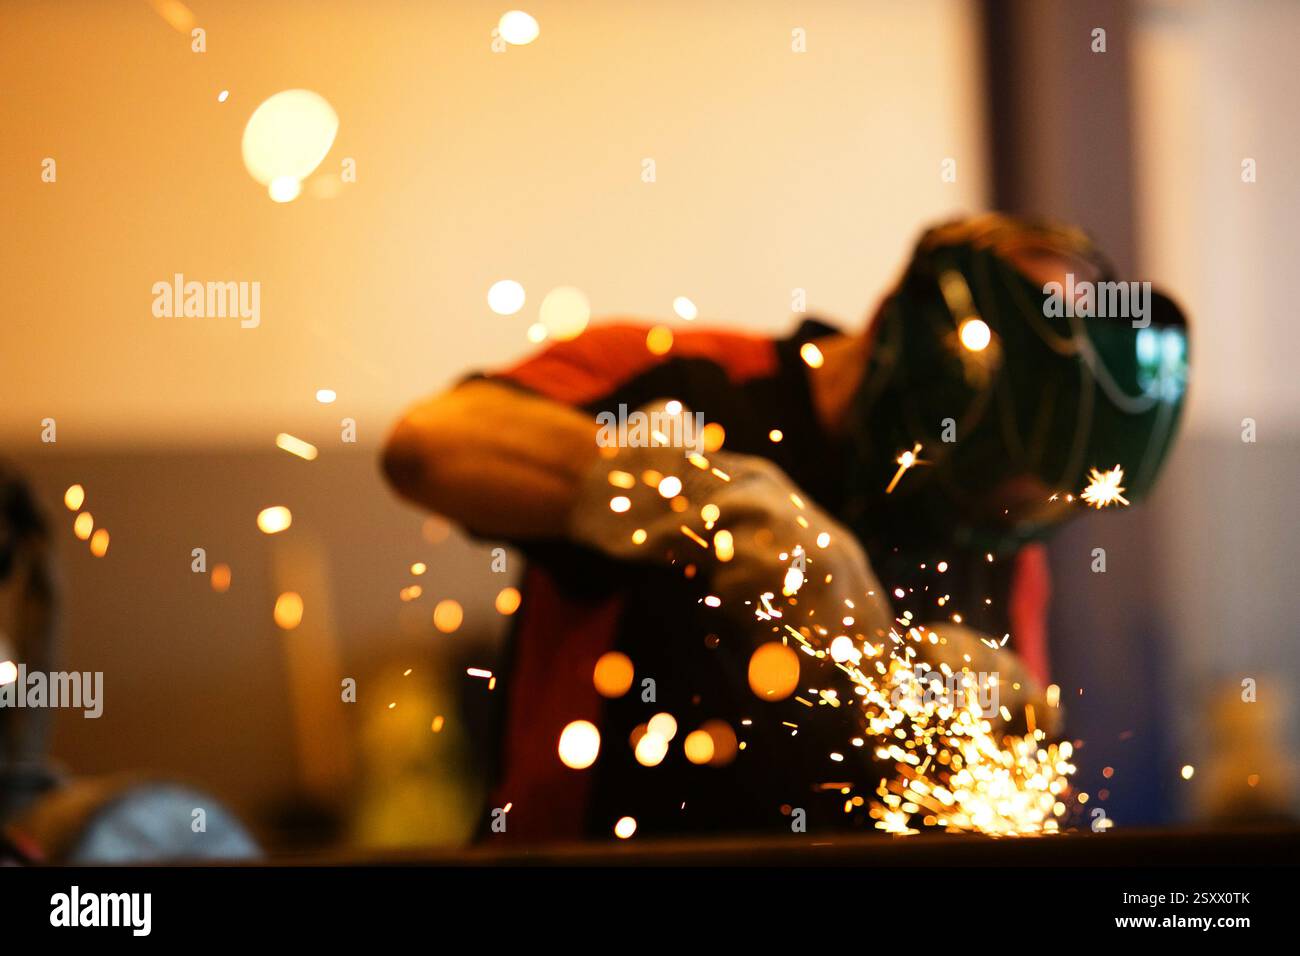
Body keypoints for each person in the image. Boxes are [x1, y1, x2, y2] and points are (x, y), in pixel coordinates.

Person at [381, 213, 1190, 842]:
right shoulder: (684, 379)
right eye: (995, 473)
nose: (1007, 509)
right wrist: (708, 501)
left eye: (1037, 496)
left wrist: (991, 710)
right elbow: (430, 447)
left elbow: (1004, 792)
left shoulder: (1005, 532)